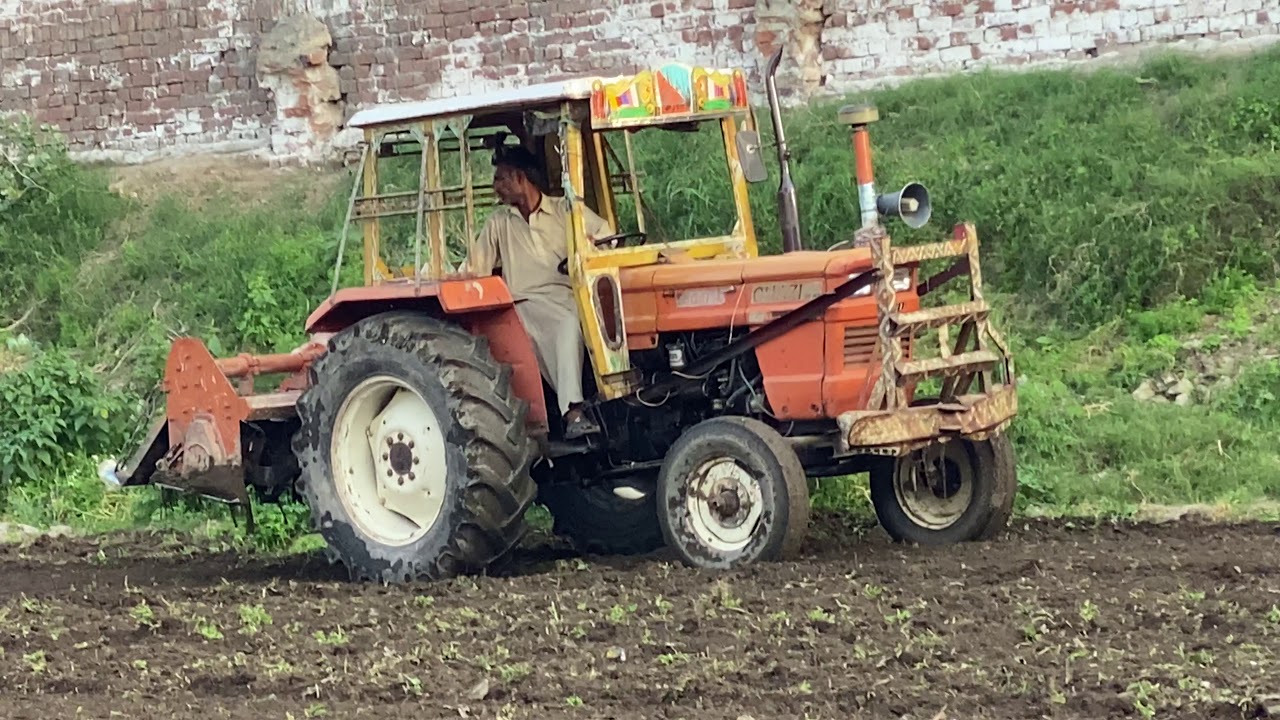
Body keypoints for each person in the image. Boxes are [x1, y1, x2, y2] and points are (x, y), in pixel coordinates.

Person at [461, 146, 614, 440]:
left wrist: (596, 246)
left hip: (566, 293)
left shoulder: (565, 211)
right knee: (567, 323)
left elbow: (607, 238)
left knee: (578, 313)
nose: (496, 187)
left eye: (501, 179)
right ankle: (573, 412)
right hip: (522, 302)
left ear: (520, 178)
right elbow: (476, 267)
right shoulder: (499, 223)